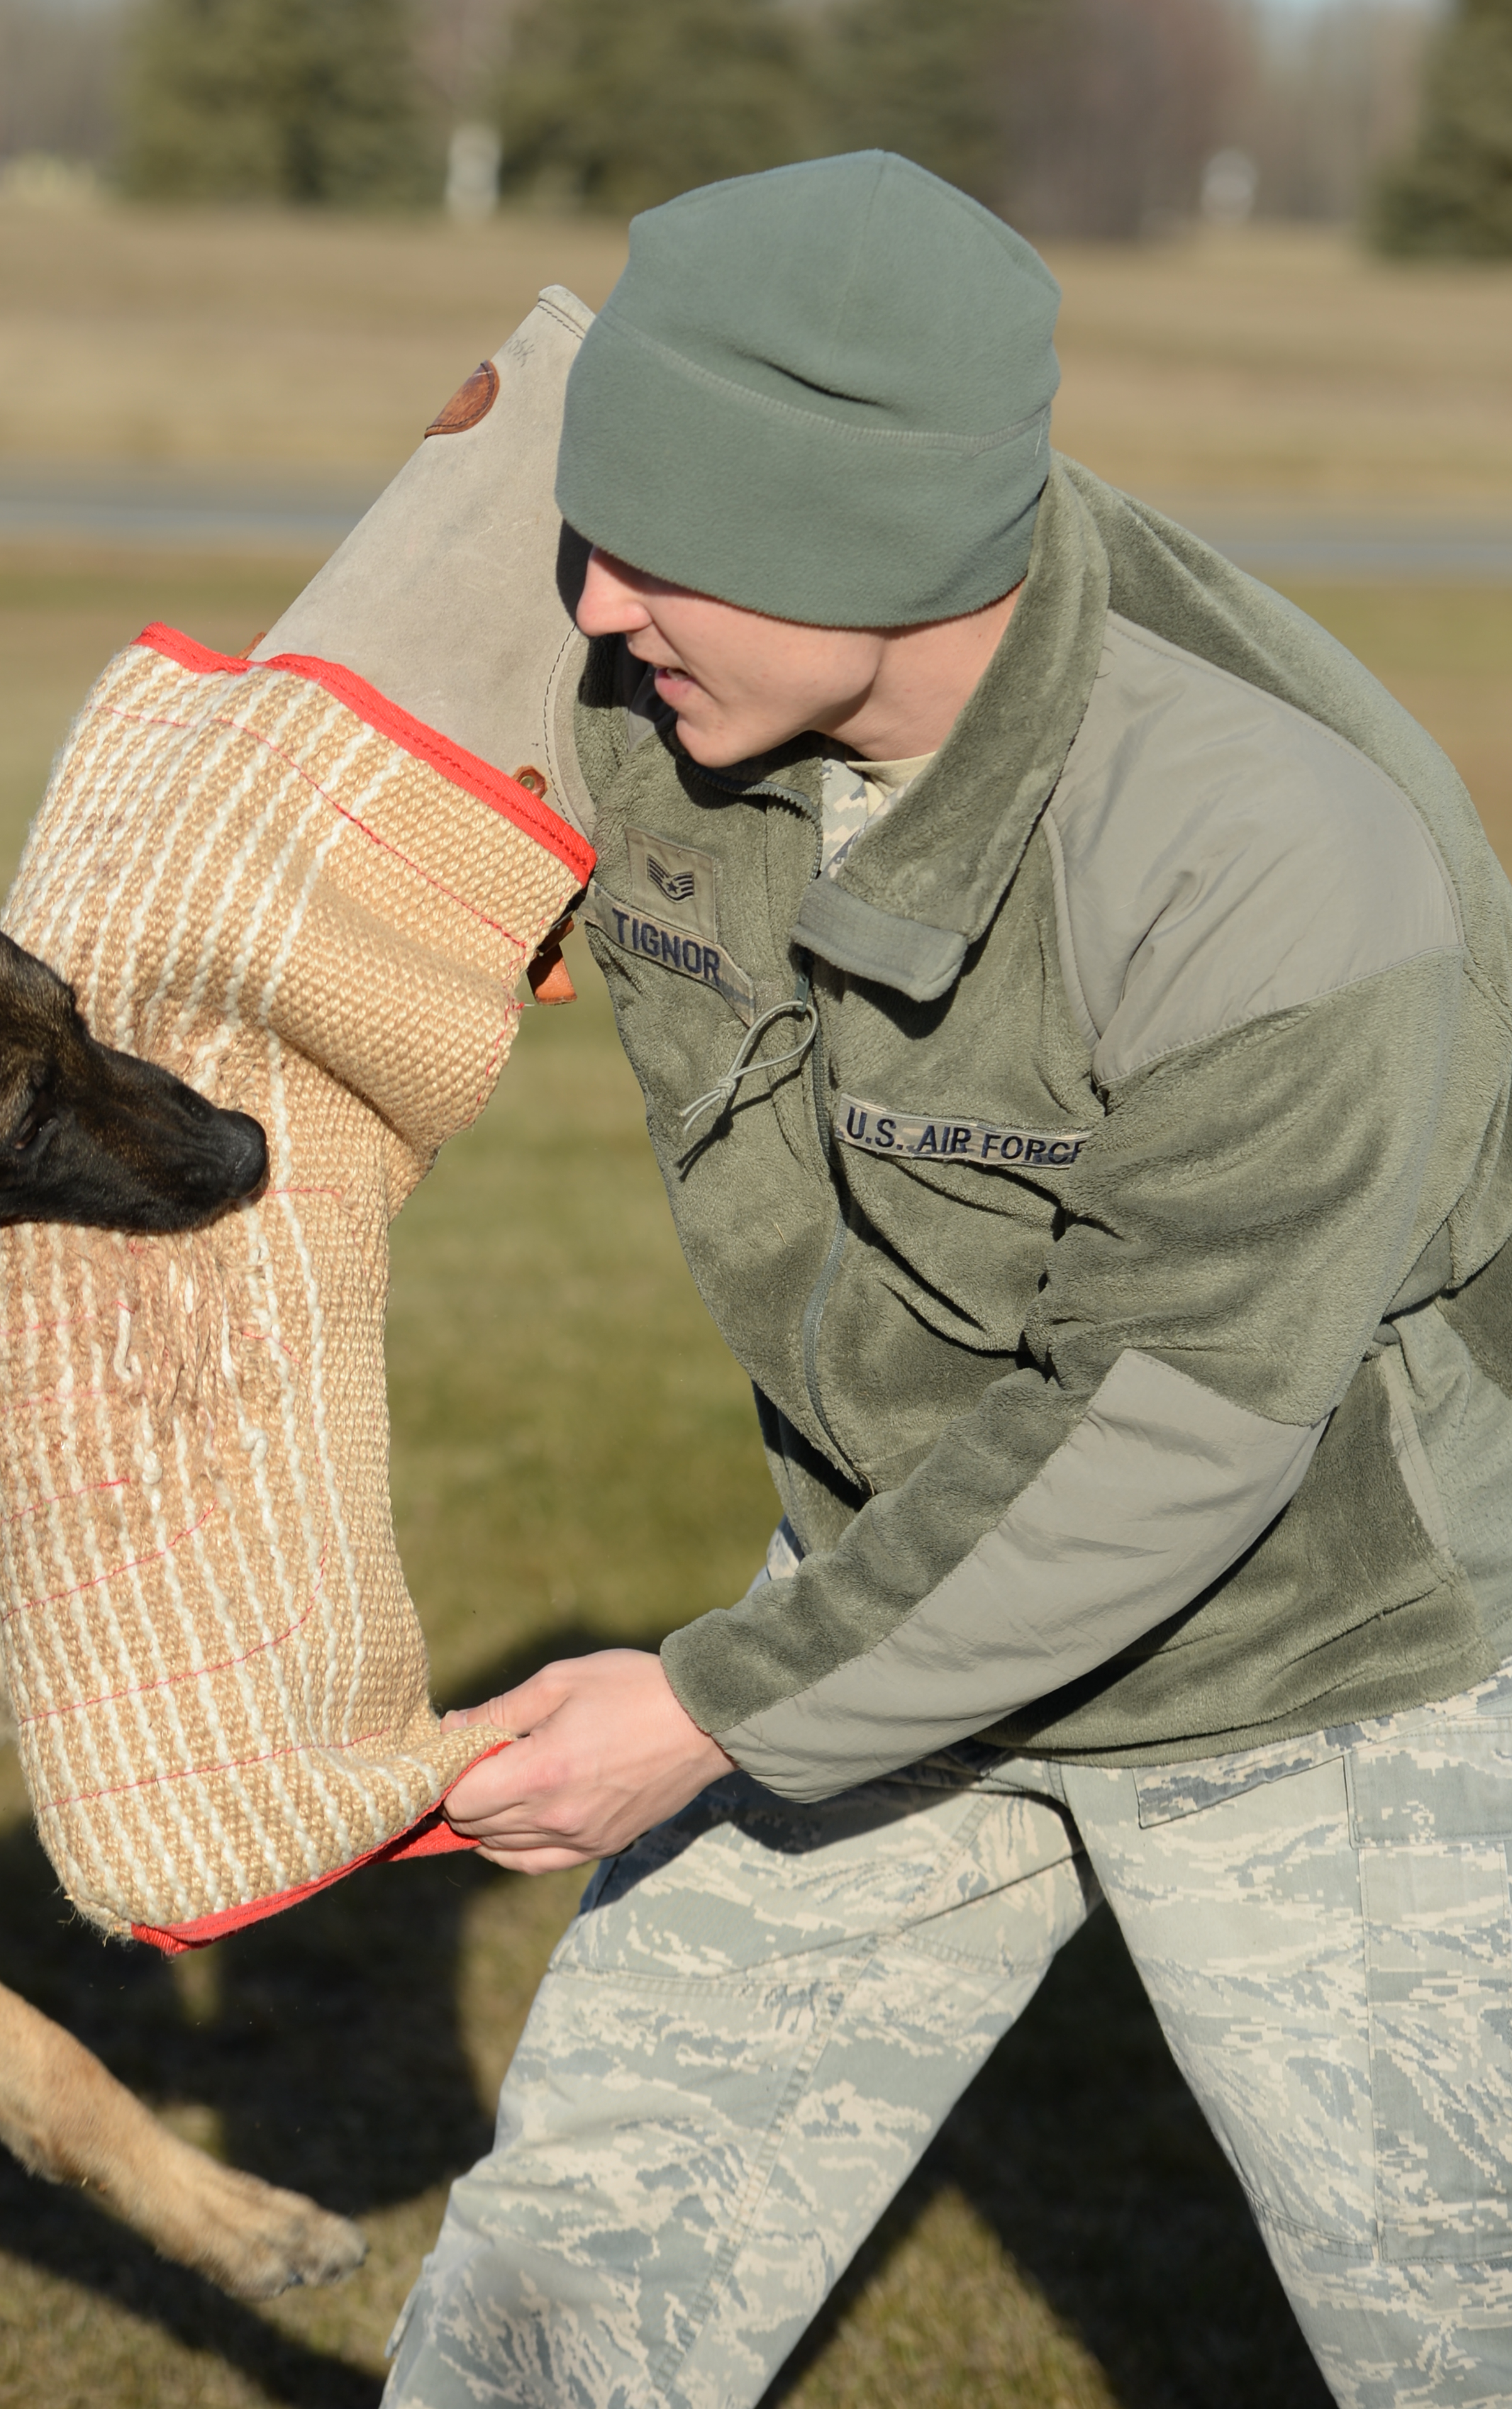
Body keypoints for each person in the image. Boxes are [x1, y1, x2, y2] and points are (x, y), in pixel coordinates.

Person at [379, 152, 1512, 2409]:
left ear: (874, 551)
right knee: (572, 2273)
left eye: (660, 555)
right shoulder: (683, 667)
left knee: (1456, 2325)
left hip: (1312, 1665)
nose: (588, 607)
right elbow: (298, 758)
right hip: (890, 1567)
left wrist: (706, 1713)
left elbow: (1165, 1435)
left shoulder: (1278, 857)